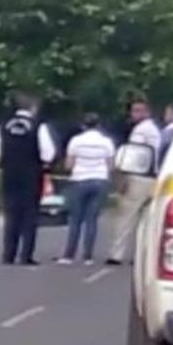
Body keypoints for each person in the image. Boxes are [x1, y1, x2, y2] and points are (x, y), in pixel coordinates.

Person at [0, 91, 56, 266]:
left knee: (11, 213)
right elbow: (48, 153)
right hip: (31, 173)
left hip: (10, 173)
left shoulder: (4, 125)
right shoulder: (38, 125)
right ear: (33, 108)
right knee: (29, 215)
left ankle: (8, 254)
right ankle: (25, 255)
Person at [106, 99, 161, 265]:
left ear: (147, 112)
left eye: (138, 110)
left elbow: (133, 154)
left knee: (126, 216)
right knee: (145, 219)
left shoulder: (140, 130)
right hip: (153, 177)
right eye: (134, 110)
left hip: (138, 176)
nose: (134, 114)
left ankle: (116, 253)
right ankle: (139, 255)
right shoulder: (155, 130)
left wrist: (122, 175)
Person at [57, 113, 116, 265]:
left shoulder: (76, 141)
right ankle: (88, 256)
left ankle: (68, 255)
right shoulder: (106, 142)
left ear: (83, 125)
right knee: (91, 219)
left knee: (75, 219)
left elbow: (69, 165)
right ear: (98, 125)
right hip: (100, 180)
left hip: (79, 180)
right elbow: (110, 165)